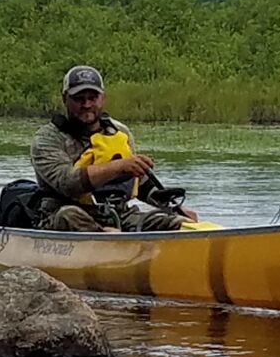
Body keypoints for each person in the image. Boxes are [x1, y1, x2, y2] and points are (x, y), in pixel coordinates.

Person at [30, 65, 198, 232]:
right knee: (68, 215)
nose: (86, 104)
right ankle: (105, 237)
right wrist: (120, 166)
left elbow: (139, 183)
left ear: (103, 98)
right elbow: (67, 182)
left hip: (118, 214)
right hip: (65, 216)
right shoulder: (47, 138)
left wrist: (173, 210)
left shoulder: (120, 132)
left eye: (92, 97)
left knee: (179, 223)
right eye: (79, 98)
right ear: (65, 98)